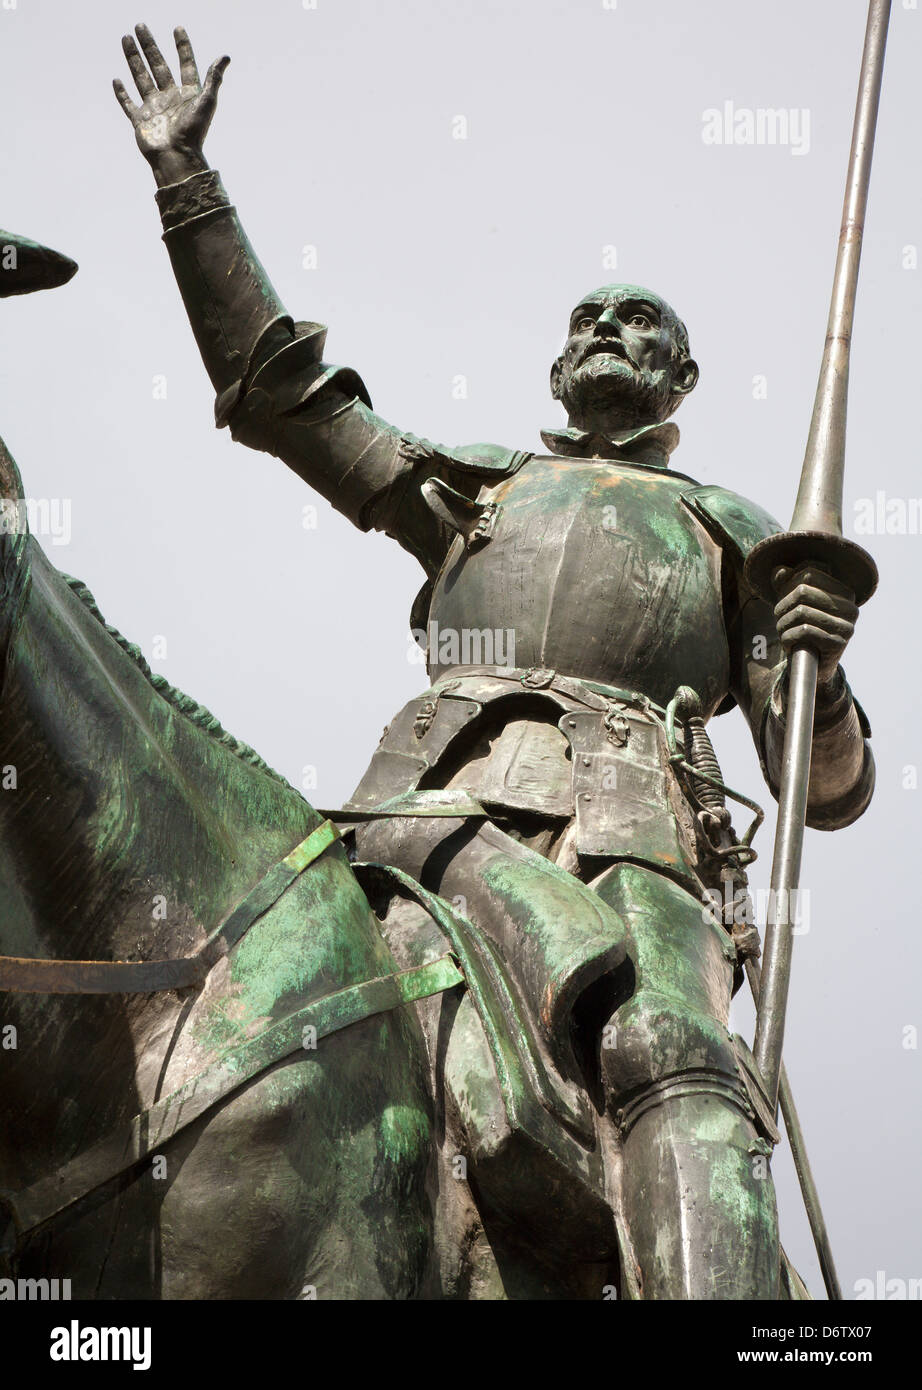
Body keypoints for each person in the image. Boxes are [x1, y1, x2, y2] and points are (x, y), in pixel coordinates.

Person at [113, 24, 873, 1299]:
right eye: (587, 316)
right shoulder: (475, 490)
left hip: (627, 846)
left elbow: (828, 784)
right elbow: (284, 399)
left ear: (677, 377)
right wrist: (187, 184)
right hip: (413, 817)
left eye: (637, 322)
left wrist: (816, 658)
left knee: (675, 1066)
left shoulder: (732, 526)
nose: (605, 328)